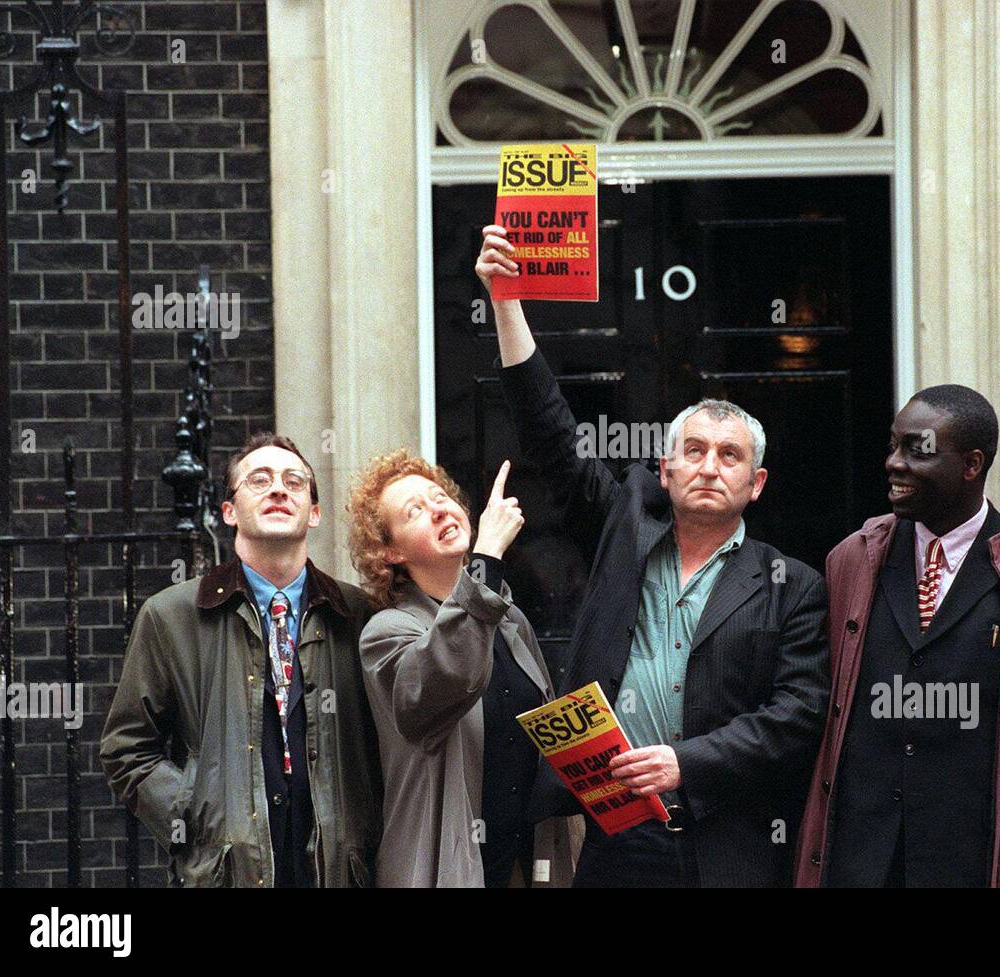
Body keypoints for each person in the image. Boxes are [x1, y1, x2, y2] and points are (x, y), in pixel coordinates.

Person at [476, 224, 830, 888]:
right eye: (693, 451)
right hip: (618, 840)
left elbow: (797, 715)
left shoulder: (793, 586)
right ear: (665, 469)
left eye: (730, 456)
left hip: (731, 846)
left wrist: (686, 762)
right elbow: (551, 430)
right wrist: (505, 300)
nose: (708, 466)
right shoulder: (622, 532)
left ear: (755, 484)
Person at [794, 385, 1000, 887]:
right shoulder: (852, 559)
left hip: (981, 860)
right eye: (893, 446)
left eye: (916, 450)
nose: (894, 464)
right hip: (861, 860)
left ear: (971, 464)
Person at [101, 433, 382, 887]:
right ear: (229, 511)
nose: (278, 490)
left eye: (295, 482)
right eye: (259, 480)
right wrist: (195, 817)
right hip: (226, 872)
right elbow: (126, 747)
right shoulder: (171, 615)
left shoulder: (357, 615)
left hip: (338, 871)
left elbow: (386, 743)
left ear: (314, 513)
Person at [349, 449, 579, 887]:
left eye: (439, 497)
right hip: (448, 870)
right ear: (390, 551)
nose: (437, 509)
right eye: (414, 510)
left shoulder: (510, 618)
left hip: (526, 865)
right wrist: (487, 555)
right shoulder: (388, 633)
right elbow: (445, 680)